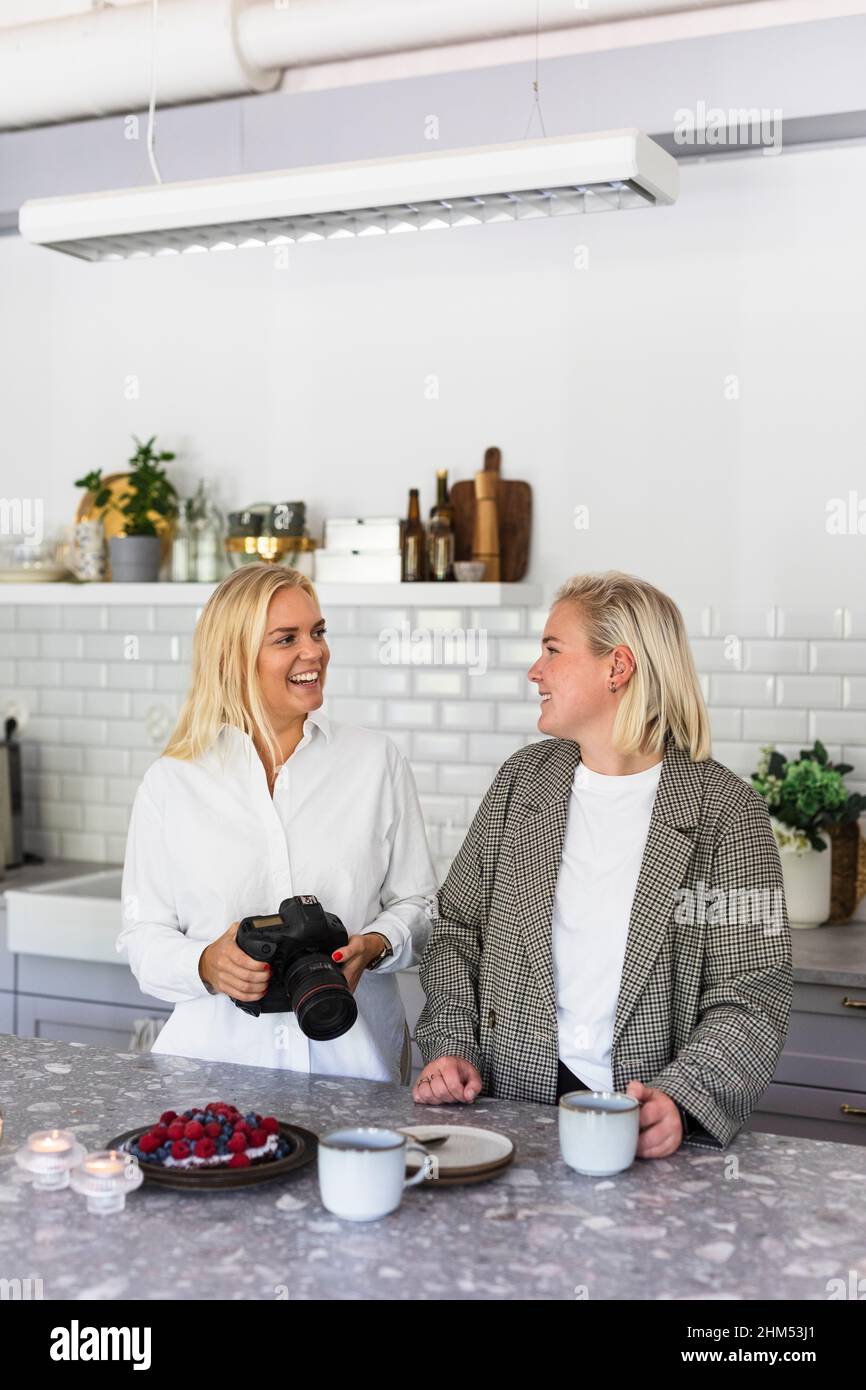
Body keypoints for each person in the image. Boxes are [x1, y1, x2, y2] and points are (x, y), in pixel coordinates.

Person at [413, 570, 792, 1156]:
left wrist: (682, 1098)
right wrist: (452, 1043)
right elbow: (459, 931)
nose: (535, 671)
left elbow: (752, 991)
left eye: (552, 650)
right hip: (508, 1110)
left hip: (639, 1124)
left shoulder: (728, 811)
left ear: (617, 667)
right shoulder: (523, 783)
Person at [117, 562, 436, 1082]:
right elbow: (143, 936)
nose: (314, 652)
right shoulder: (172, 782)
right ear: (234, 658)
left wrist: (375, 945)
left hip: (355, 1071)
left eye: (318, 632)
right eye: (286, 639)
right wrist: (205, 964)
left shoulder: (375, 762)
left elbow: (421, 906)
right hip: (214, 1077)